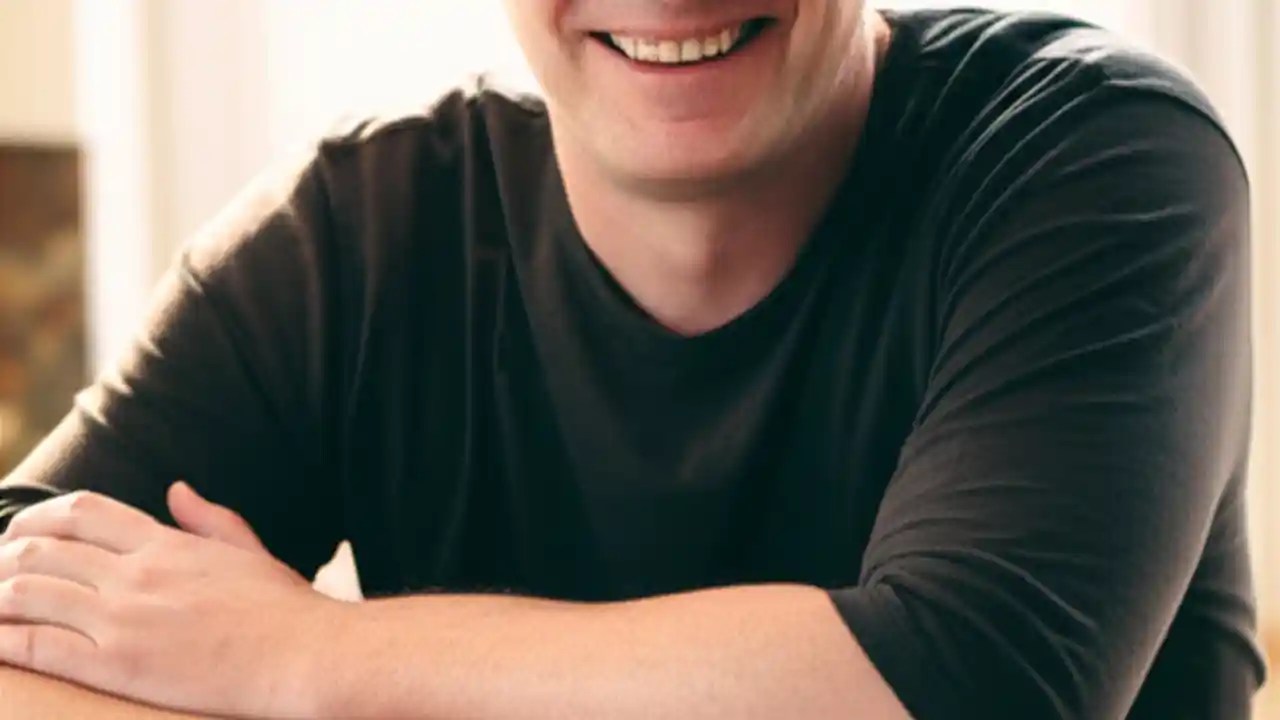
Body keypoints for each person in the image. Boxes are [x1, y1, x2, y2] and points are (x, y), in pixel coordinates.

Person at [0, 1, 1265, 718]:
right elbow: (19, 610)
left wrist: (298, 661)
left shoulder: (1096, 163)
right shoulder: (363, 230)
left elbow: (963, 688)